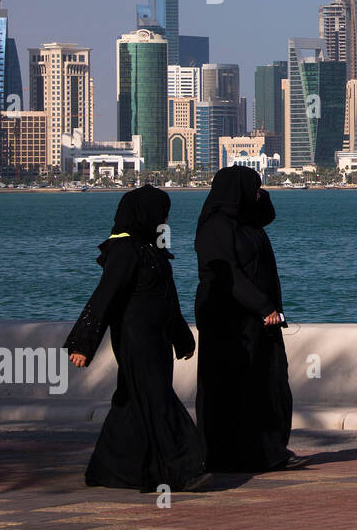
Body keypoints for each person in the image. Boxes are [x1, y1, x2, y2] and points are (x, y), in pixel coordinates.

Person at [66, 185, 208, 492]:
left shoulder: (151, 250)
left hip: (157, 341)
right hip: (135, 340)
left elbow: (167, 300)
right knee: (157, 398)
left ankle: (112, 470)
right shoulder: (125, 250)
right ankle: (183, 467)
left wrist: (181, 338)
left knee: (131, 401)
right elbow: (105, 297)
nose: (166, 221)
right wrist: (82, 343)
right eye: (162, 214)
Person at [194, 166, 303, 472]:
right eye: (253, 189)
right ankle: (223, 456)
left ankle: (268, 451)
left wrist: (257, 189)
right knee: (230, 389)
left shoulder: (247, 223)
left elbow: (266, 213)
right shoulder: (216, 226)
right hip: (230, 323)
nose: (258, 195)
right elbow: (231, 276)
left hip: (260, 323)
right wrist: (262, 306)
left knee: (269, 385)